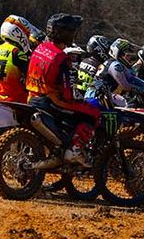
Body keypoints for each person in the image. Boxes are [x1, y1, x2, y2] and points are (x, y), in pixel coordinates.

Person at [26, 13, 101, 165]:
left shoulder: (40, 48)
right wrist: (78, 99)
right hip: (51, 100)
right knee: (93, 113)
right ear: (65, 33)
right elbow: (67, 93)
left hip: (32, 96)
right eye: (73, 31)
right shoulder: (61, 57)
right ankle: (74, 150)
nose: (74, 34)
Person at [0, 15, 41, 103]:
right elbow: (32, 74)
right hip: (18, 98)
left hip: (1, 96)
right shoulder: (17, 53)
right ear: (17, 33)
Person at [98, 37, 144, 104]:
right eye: (126, 55)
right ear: (117, 53)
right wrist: (139, 89)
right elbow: (125, 85)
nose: (129, 58)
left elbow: (130, 77)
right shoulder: (115, 65)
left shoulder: (115, 63)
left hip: (106, 94)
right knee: (125, 104)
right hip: (101, 96)